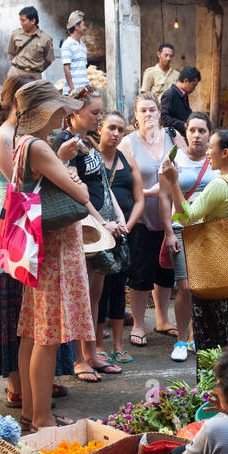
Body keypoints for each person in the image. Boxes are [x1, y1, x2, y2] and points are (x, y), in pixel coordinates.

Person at [0, 74, 76, 408]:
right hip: (15, 228)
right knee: (21, 318)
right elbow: (28, 189)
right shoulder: (6, 139)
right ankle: (20, 388)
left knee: (30, 319)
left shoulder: (25, 139)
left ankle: (36, 390)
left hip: (28, 227)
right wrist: (59, 161)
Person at [12, 81, 97, 430]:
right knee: (46, 339)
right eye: (59, 108)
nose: (65, 113)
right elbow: (79, 192)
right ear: (45, 113)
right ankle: (43, 417)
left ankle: (32, 412)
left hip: (38, 247)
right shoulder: (40, 148)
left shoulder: (22, 144)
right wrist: (73, 174)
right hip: (55, 250)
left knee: (32, 332)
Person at [161, 127, 228, 353]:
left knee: (210, 337)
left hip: (213, 269)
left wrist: (173, 182)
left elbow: (185, 217)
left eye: (212, 147)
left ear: (225, 153)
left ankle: (212, 384)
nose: (208, 152)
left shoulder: (219, 185)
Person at [56, 88, 127, 378]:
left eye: (100, 112)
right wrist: (101, 223)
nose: (99, 117)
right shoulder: (66, 144)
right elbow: (76, 191)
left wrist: (118, 215)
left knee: (94, 294)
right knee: (80, 294)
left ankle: (91, 352)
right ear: (75, 113)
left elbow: (101, 183)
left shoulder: (88, 141)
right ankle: (78, 360)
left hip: (102, 225)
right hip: (84, 227)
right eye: (95, 112)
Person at [122, 92, 182, 346]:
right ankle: (138, 324)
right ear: (136, 116)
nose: (148, 114)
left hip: (170, 217)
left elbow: (186, 165)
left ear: (160, 113)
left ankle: (162, 319)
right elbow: (123, 183)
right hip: (142, 218)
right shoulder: (128, 143)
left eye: (152, 110)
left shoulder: (173, 137)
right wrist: (150, 193)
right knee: (140, 274)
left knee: (165, 271)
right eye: (143, 110)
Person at [163, 112, 217, 362]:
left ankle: (198, 336)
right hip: (181, 229)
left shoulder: (215, 160)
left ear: (209, 134)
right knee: (184, 287)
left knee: (203, 286)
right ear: (185, 131)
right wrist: (168, 232)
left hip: (208, 231)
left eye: (202, 131)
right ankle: (181, 340)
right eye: (192, 130)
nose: (196, 135)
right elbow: (164, 198)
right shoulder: (174, 160)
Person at [96, 110, 146, 365]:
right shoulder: (90, 158)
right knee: (98, 292)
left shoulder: (127, 159)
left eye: (120, 130)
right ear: (100, 129)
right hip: (98, 234)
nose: (115, 134)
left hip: (124, 234)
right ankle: (97, 345)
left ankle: (117, 344)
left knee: (118, 289)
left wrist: (127, 225)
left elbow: (139, 199)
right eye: (111, 128)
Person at [7, 6, 56, 79]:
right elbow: (12, 54)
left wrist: (36, 70)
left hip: (34, 77)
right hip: (15, 74)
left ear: (33, 21)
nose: (21, 23)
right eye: (20, 20)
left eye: (23, 20)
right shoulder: (15, 34)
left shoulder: (46, 39)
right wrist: (17, 67)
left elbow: (48, 61)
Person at [160, 66, 200, 131]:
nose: (194, 89)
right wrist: (183, 125)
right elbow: (164, 118)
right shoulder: (169, 95)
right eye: (193, 85)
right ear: (186, 81)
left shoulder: (184, 95)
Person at [60, 10, 89, 94]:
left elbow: (82, 68)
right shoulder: (67, 45)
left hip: (83, 90)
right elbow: (66, 68)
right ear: (76, 26)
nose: (85, 28)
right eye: (83, 25)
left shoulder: (83, 46)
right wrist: (72, 89)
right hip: (73, 91)